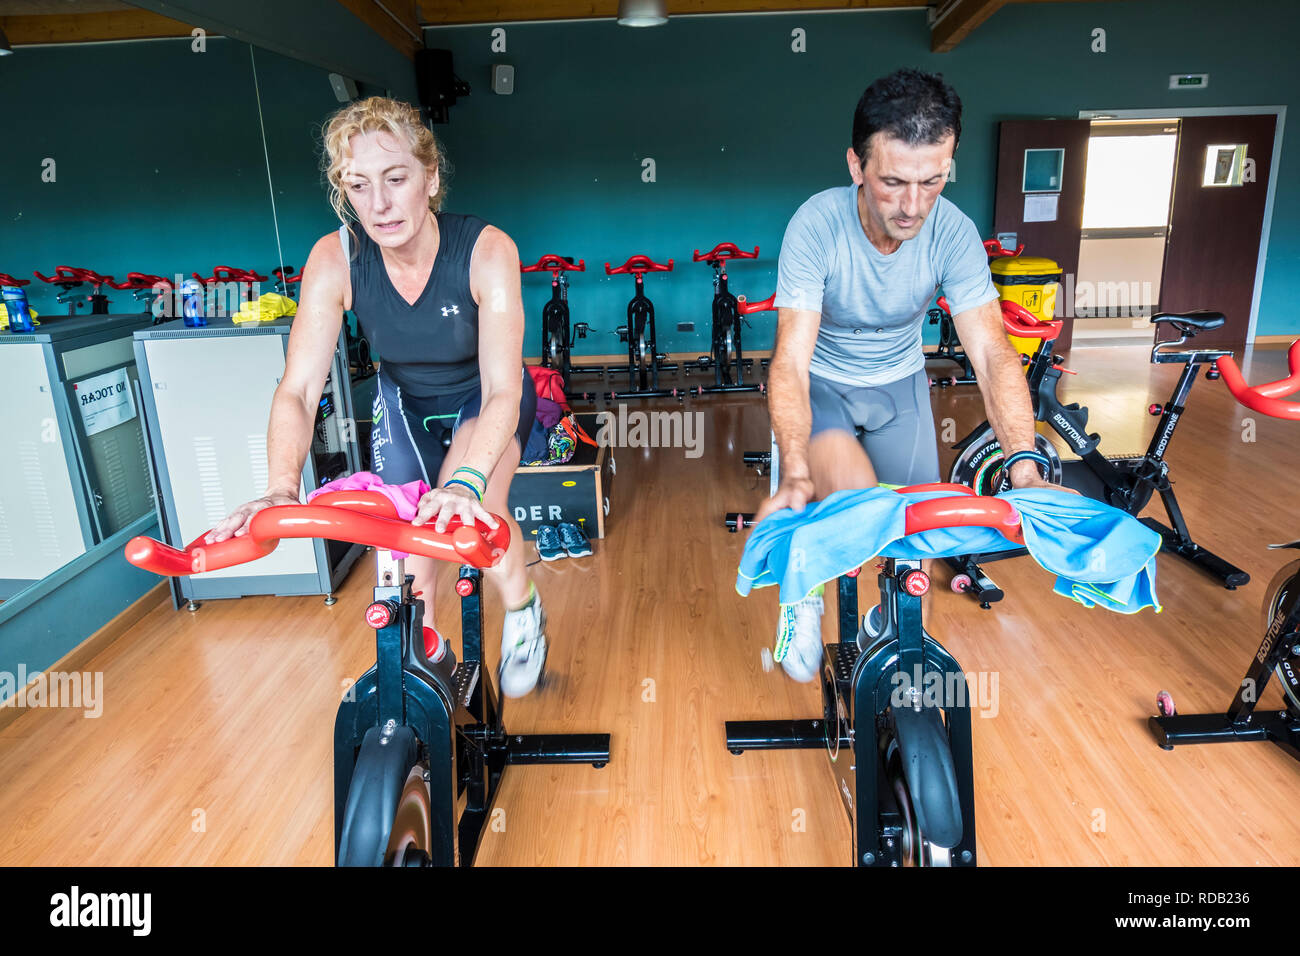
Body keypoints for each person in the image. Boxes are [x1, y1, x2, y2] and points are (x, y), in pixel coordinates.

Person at [205, 96, 547, 697]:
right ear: (344, 190)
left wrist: (463, 481)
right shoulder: (334, 259)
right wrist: (281, 488)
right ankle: (424, 674)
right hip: (405, 401)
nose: (380, 204)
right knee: (412, 560)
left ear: (430, 178)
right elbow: (299, 389)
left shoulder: (487, 250)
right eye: (359, 185)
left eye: (396, 179)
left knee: (476, 514)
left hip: (483, 399)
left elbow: (501, 388)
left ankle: (522, 608)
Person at [757, 69, 1070, 682]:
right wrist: (794, 470)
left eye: (932, 181)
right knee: (852, 502)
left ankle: (883, 627)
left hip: (900, 385)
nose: (912, 206)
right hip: (822, 382)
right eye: (893, 182)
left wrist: (1025, 471)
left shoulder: (950, 231)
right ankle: (804, 591)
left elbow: (991, 352)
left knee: (918, 537)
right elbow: (790, 357)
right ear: (856, 165)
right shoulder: (815, 226)